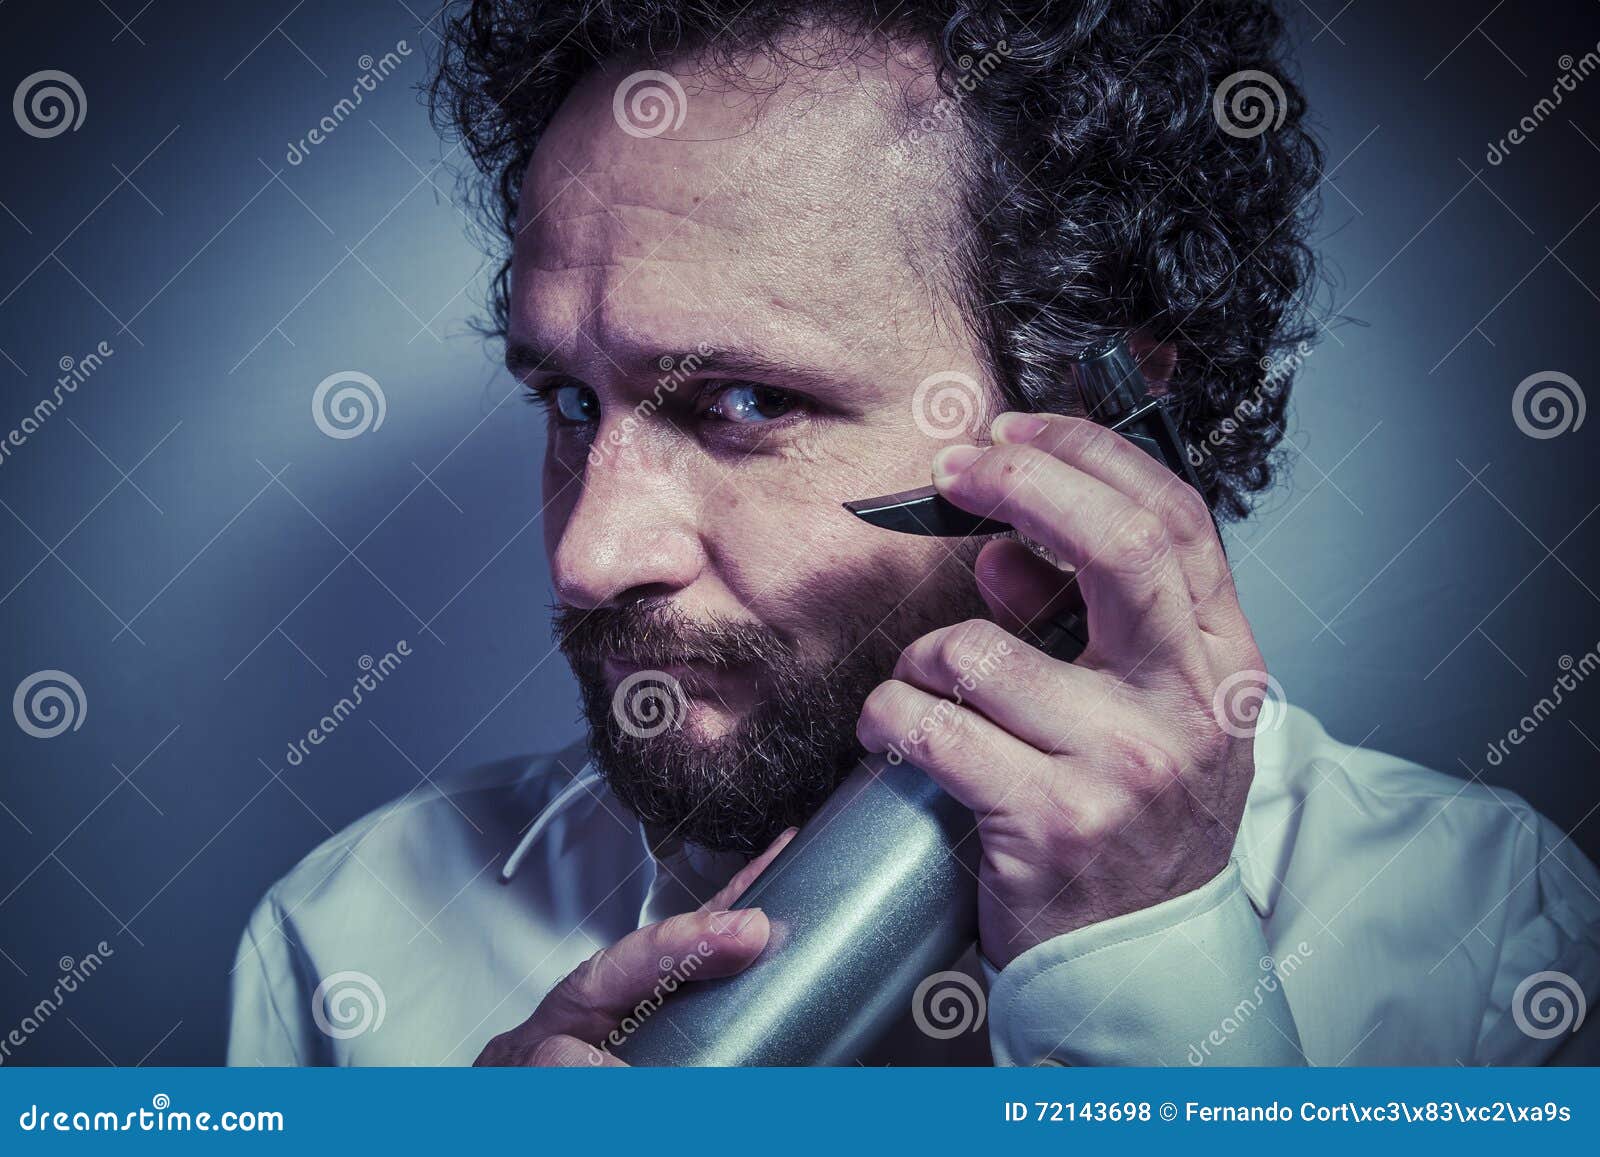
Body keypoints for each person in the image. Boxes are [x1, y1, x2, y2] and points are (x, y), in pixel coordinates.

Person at [227, 0, 1600, 1066]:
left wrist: (1155, 981)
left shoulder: (1481, 938)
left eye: (746, 402)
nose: (589, 552)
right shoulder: (350, 946)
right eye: (568, 399)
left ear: (1098, 418)